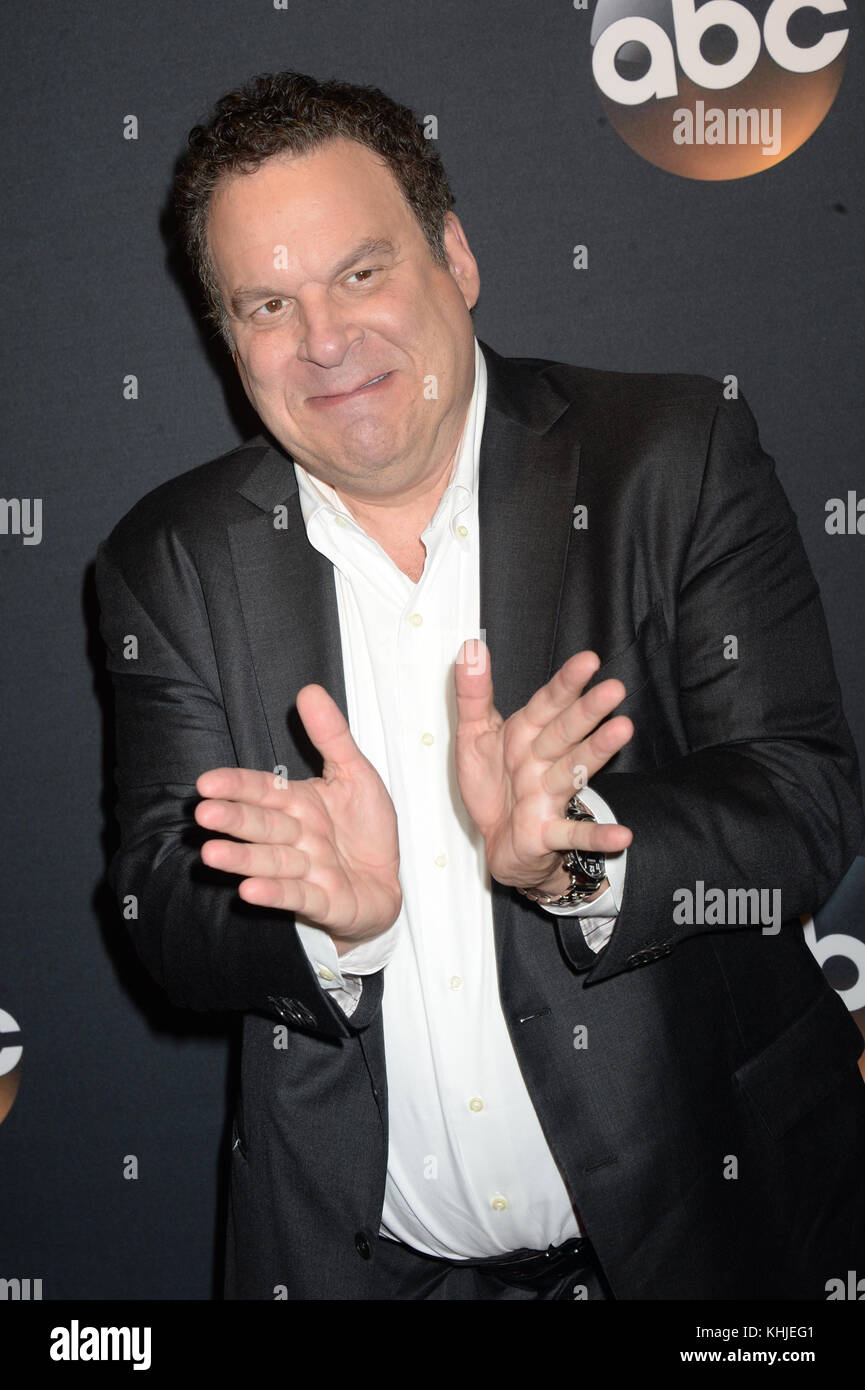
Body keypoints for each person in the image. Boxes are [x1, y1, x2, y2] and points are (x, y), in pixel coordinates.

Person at [96, 71, 865, 1301]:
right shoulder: (169, 561)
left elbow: (801, 799)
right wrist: (327, 925)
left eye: (361, 272)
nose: (324, 340)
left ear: (454, 257)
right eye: (268, 304)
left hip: (708, 1243)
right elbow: (159, 904)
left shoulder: (669, 454)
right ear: (227, 337)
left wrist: (580, 857)